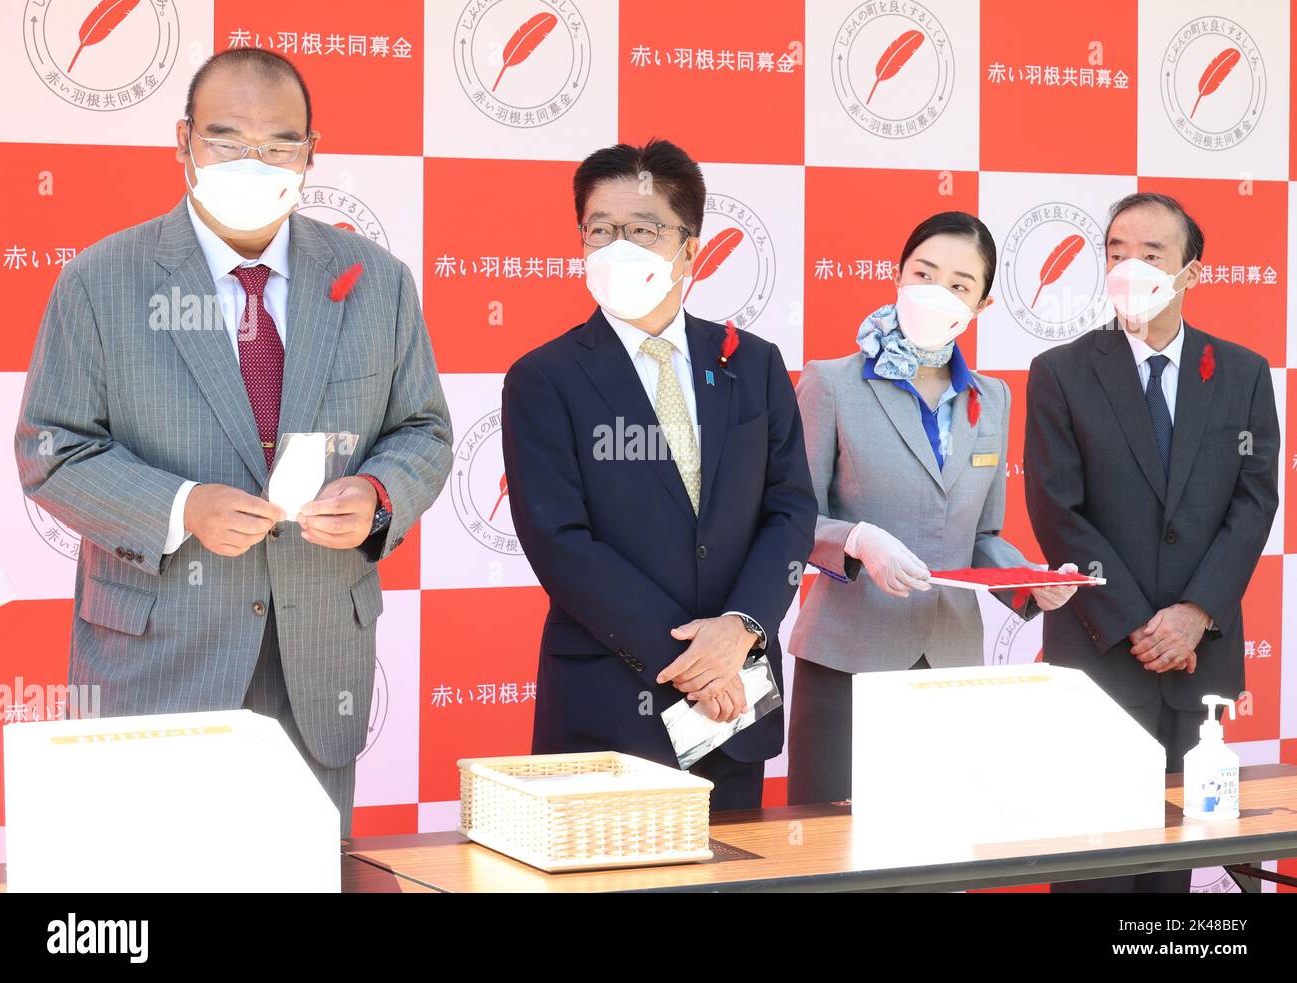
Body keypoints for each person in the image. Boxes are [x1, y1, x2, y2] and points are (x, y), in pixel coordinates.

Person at [14, 48, 453, 838]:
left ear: (311, 152)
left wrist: (379, 495)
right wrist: (183, 506)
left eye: (279, 145)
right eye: (225, 140)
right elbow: (52, 450)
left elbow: (421, 428)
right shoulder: (101, 281)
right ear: (183, 142)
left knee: (310, 878)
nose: (254, 163)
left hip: (316, 663)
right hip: (158, 664)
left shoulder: (375, 280)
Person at [500, 139, 816, 811]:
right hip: (607, 704)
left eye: (641, 230)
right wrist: (693, 661)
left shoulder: (753, 364)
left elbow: (790, 509)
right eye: (600, 230)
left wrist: (740, 628)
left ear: (690, 249)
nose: (617, 247)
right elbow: (561, 543)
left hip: (733, 699)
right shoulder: (544, 378)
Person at [1025, 192, 1279, 892]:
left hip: (1204, 672)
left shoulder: (1243, 373)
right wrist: (1140, 622)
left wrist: (1196, 611)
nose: (1129, 266)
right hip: (1101, 656)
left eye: (1150, 253)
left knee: (1189, 884)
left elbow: (1254, 500)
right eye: (1114, 252)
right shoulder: (1061, 372)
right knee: (1094, 873)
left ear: (1191, 272)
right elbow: (1056, 510)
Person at [788, 211, 1078, 807]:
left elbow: (983, 534)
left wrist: (1030, 580)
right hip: (849, 656)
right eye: (924, 272)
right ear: (896, 274)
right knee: (835, 853)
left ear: (982, 305)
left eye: (959, 284)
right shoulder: (832, 383)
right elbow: (791, 517)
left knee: (937, 850)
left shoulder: (991, 397)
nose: (937, 292)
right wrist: (859, 540)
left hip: (949, 661)